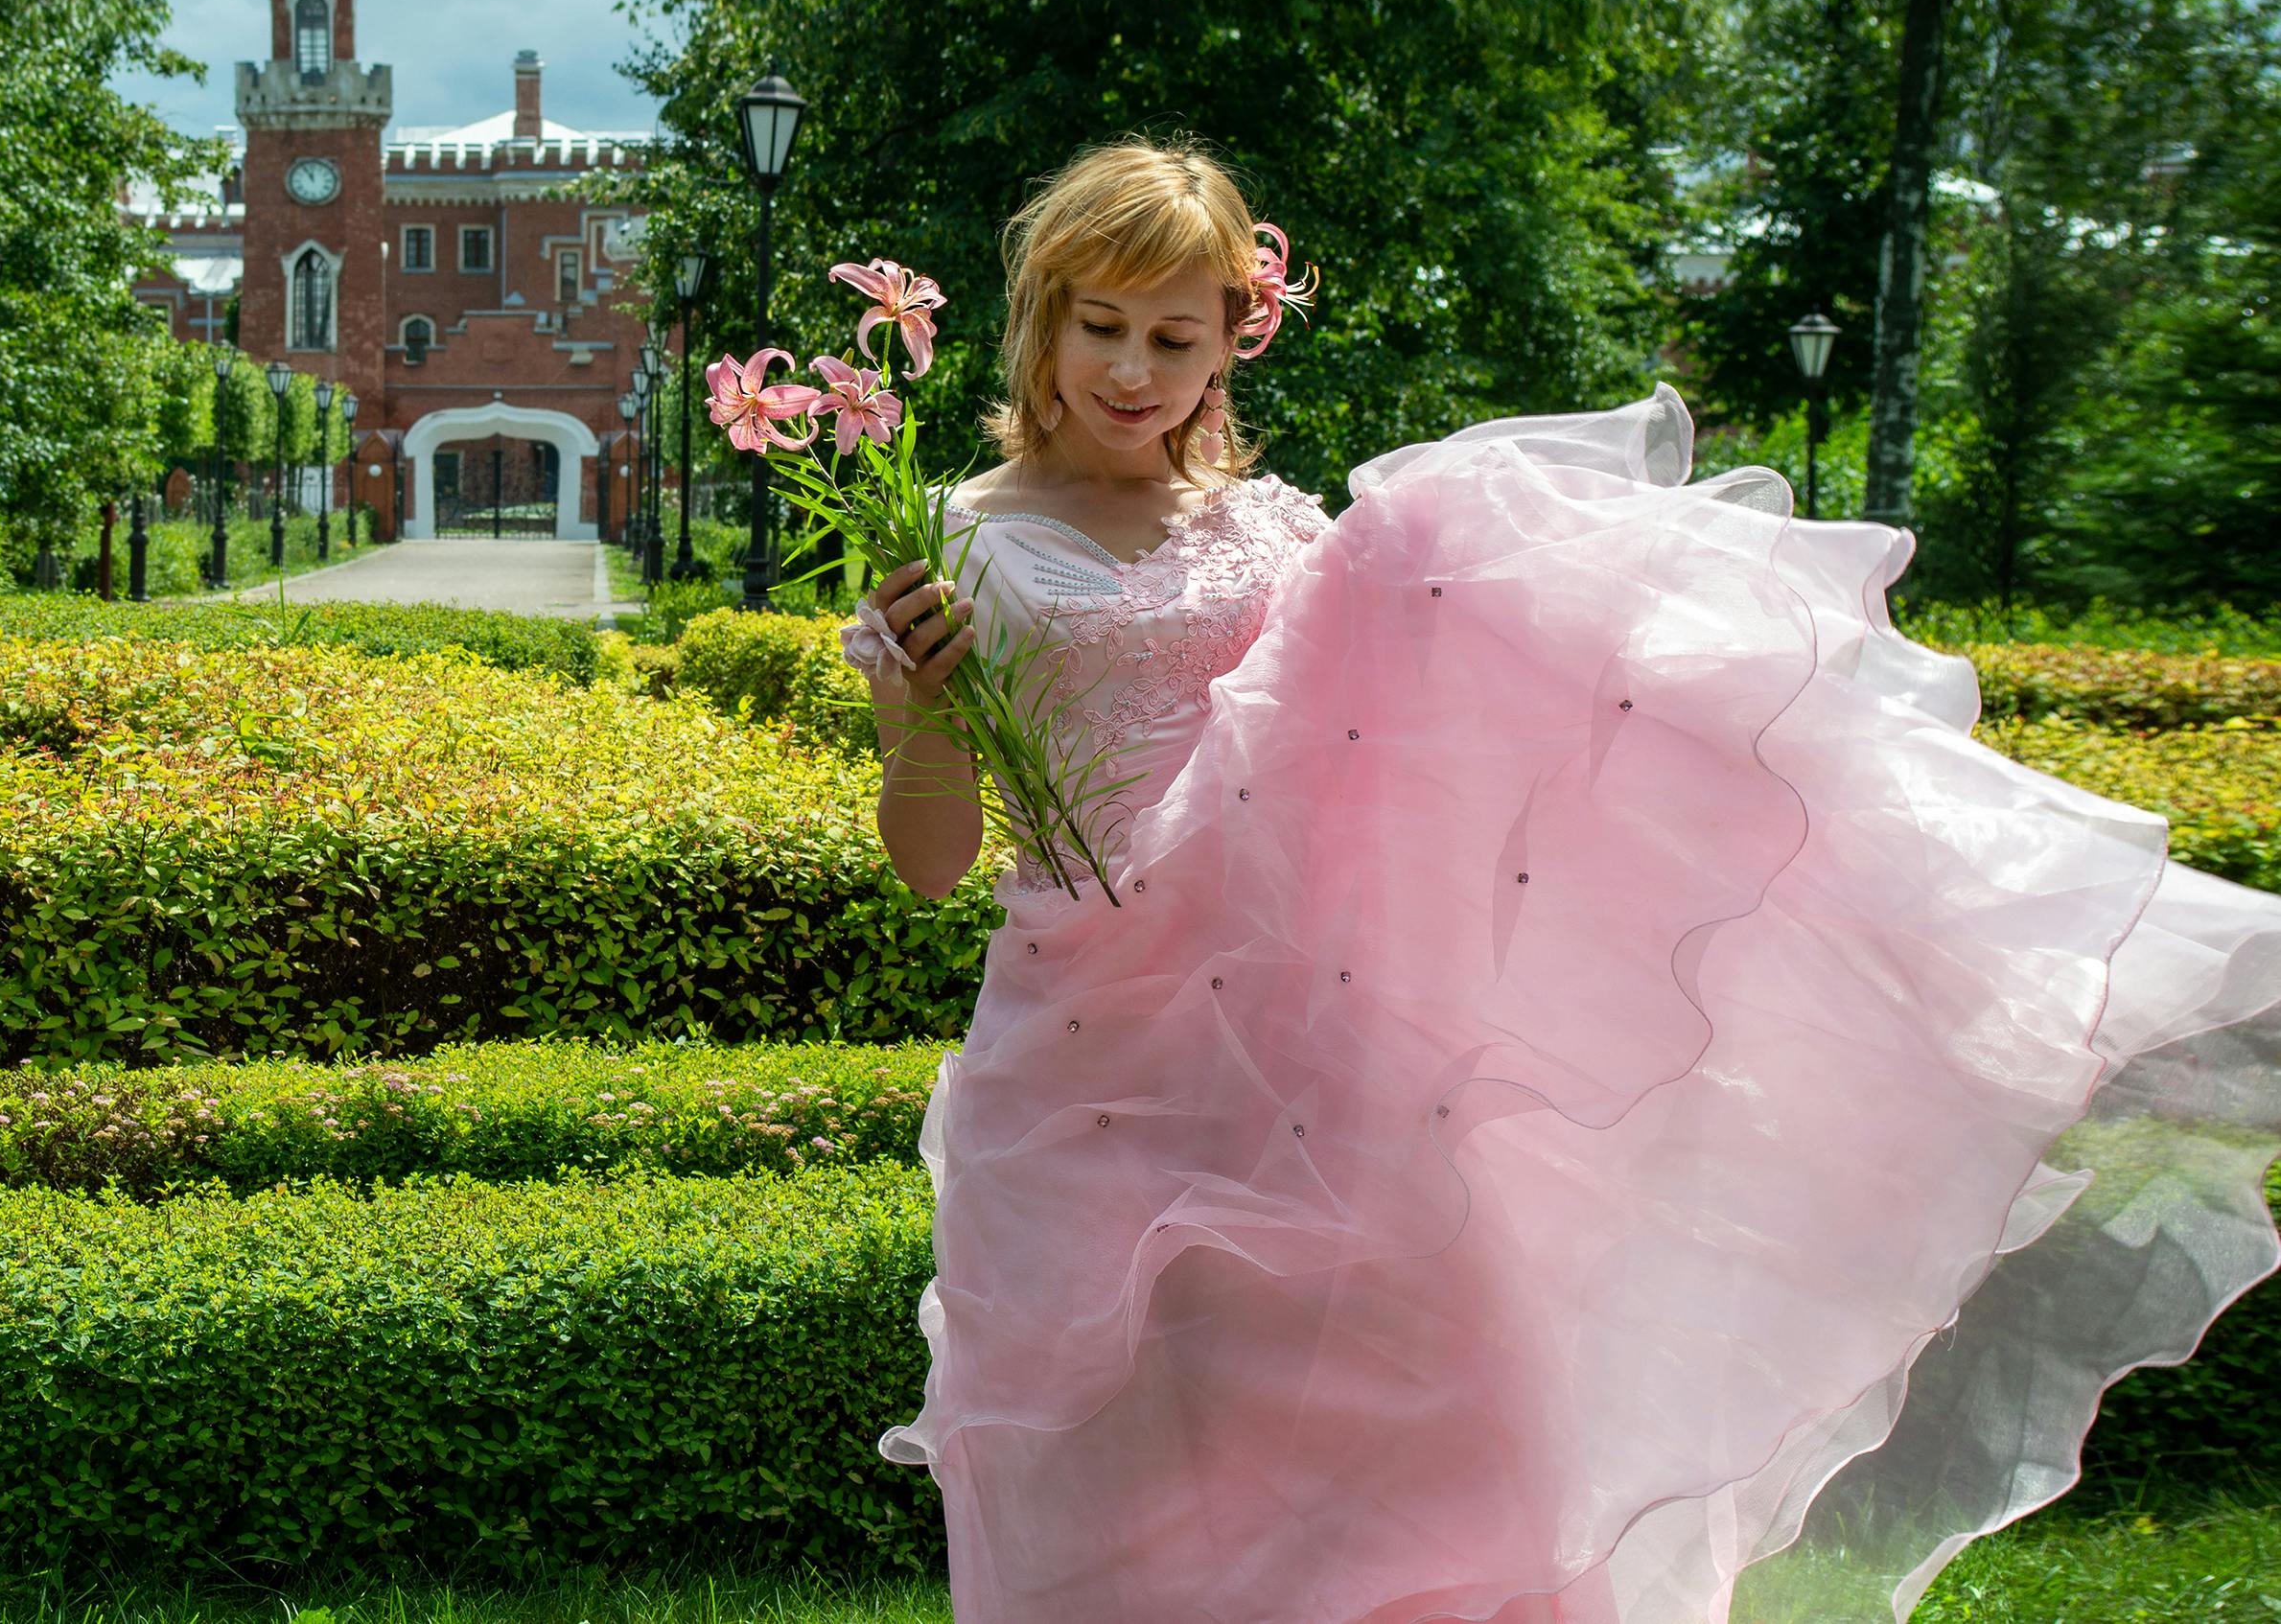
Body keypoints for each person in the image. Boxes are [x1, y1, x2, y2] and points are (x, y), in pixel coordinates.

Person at [841, 138, 2281, 1624]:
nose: (1133, 371)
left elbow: (1404, 743)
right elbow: (932, 860)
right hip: (1084, 1047)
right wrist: (921, 707)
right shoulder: (956, 541)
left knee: (1409, 1395)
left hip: (1299, 1032)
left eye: (1174, 337)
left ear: (1228, 343)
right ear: (1046, 314)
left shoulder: (1277, 533)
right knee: (1113, 1437)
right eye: (1104, 327)